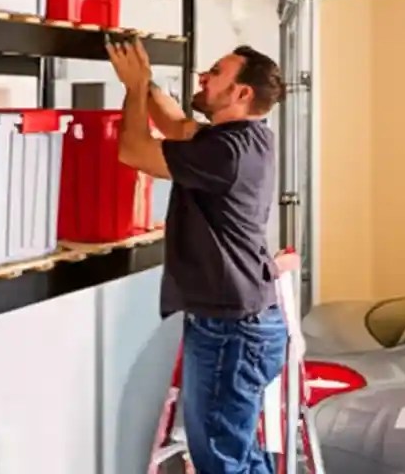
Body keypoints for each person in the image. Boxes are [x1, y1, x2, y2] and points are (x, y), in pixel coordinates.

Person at [106, 38, 288, 474]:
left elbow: (133, 150)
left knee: (221, 464)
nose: (203, 77)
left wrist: (133, 90)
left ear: (242, 94)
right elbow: (174, 125)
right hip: (243, 323)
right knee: (235, 457)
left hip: (232, 329)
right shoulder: (242, 139)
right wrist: (143, 80)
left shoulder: (226, 152)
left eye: (217, 73)